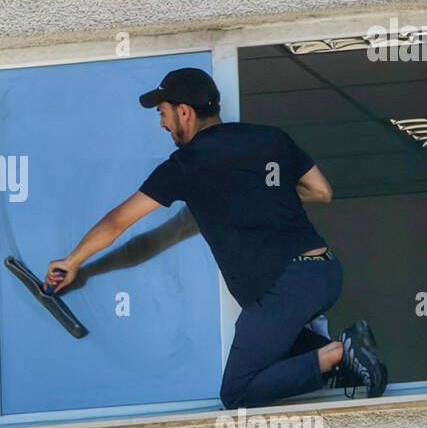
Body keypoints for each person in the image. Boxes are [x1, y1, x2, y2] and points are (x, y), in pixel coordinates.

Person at [44, 67, 388, 408]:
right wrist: (255, 193)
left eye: (163, 114)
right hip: (324, 272)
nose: (162, 124)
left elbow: (117, 222)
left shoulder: (186, 165)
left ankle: (342, 352)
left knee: (237, 392)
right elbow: (322, 191)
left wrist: (72, 261)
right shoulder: (271, 138)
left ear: (184, 112)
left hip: (286, 286)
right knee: (282, 353)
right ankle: (344, 354)